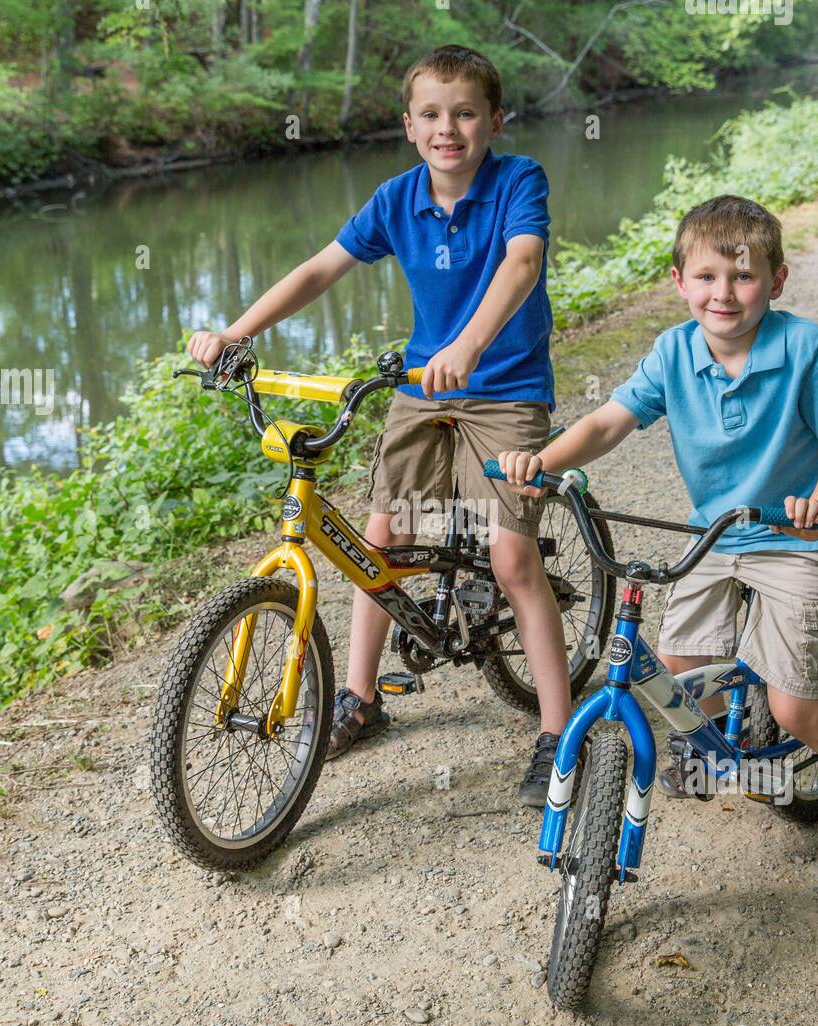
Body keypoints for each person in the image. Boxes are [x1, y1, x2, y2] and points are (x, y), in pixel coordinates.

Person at [188, 44, 571, 806]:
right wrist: (235, 332)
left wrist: (467, 345)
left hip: (504, 388)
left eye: (465, 113)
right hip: (423, 385)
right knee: (380, 536)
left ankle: (558, 735)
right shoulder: (397, 199)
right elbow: (318, 270)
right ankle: (360, 697)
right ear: (408, 124)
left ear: (494, 120)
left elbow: (521, 264)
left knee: (510, 559)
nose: (448, 128)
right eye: (432, 114)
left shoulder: (518, 181)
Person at [496, 194, 818, 867]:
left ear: (776, 281)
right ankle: (715, 750)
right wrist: (544, 460)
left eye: (744, 276)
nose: (723, 294)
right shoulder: (673, 353)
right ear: (679, 283)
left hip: (795, 539)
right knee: (674, 673)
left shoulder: (807, 347)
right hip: (715, 536)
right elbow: (609, 422)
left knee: (794, 709)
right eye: (705, 277)